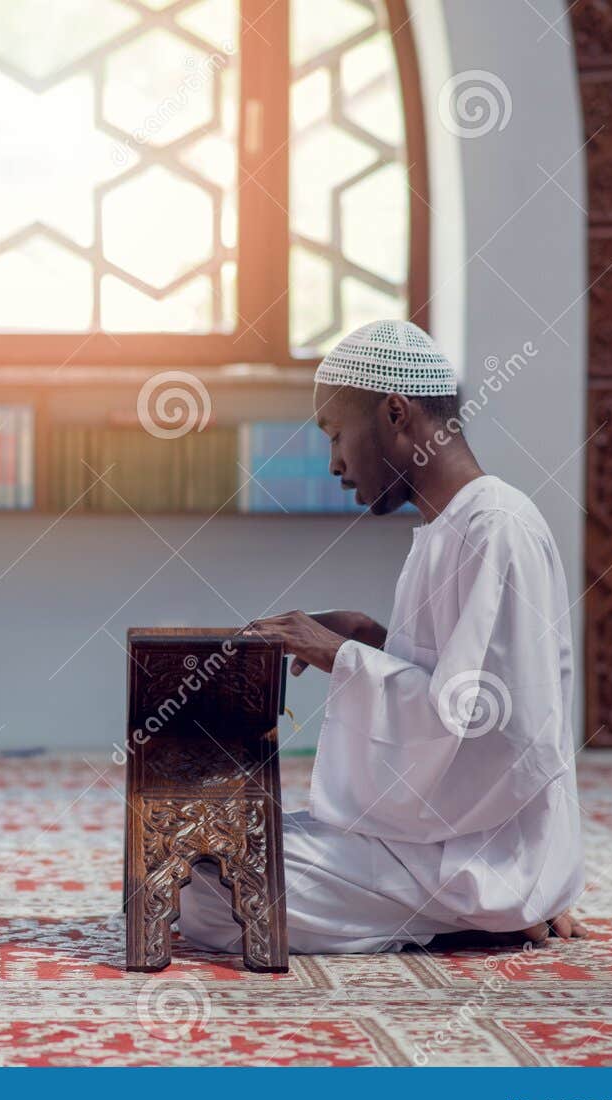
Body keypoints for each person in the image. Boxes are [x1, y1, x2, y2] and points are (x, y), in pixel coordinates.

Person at [179, 319, 586, 955]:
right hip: (445, 839)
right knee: (202, 860)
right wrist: (371, 638)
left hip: (480, 848)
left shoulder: (494, 527)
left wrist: (338, 655)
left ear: (395, 412)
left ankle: (496, 905)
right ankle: (487, 906)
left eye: (337, 435)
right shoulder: (448, 528)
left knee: (210, 891)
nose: (336, 463)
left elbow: (502, 728)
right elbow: (457, 682)